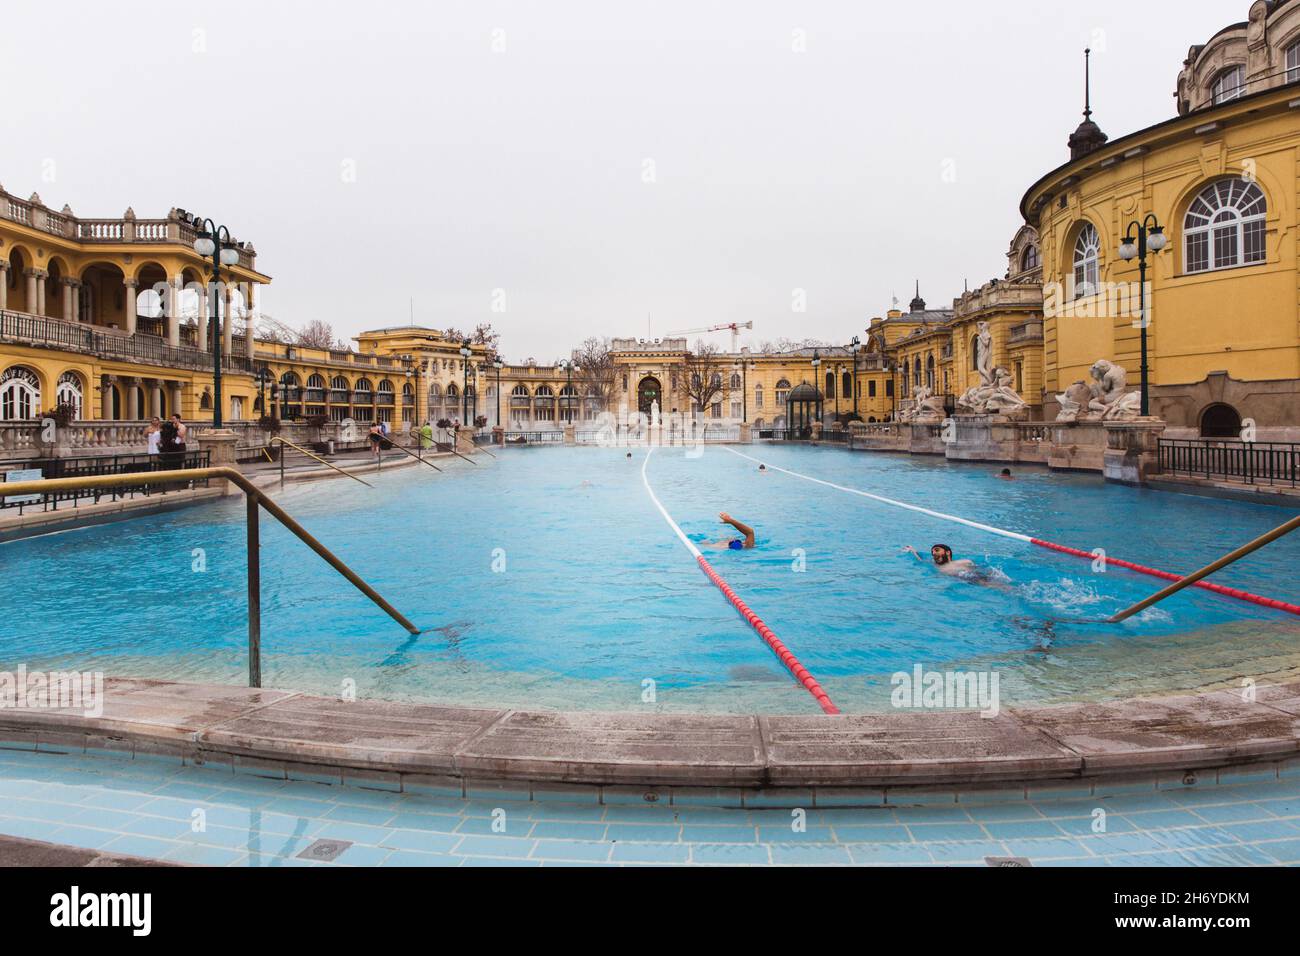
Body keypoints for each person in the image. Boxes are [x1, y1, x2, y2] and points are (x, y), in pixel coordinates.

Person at [903, 544, 1011, 589]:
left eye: (937, 550)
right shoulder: (934, 565)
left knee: (1000, 586)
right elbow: (920, 561)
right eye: (932, 552)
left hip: (974, 577)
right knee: (999, 587)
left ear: (948, 553)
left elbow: (981, 569)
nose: (933, 553)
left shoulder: (964, 561)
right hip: (965, 580)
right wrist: (913, 551)